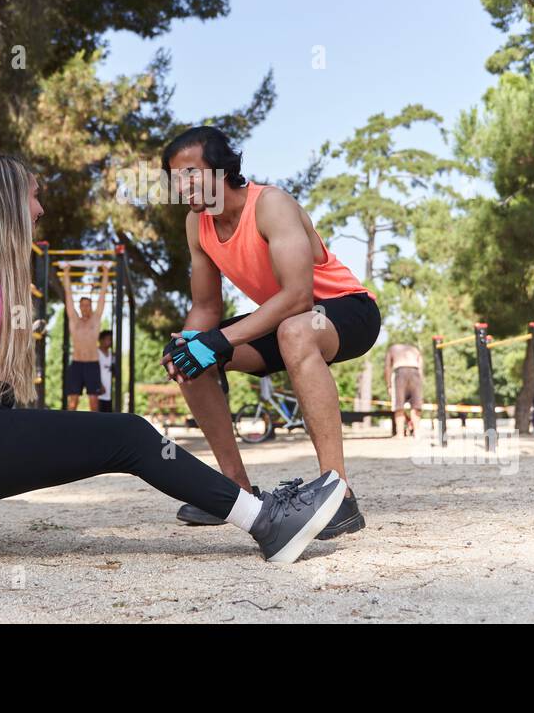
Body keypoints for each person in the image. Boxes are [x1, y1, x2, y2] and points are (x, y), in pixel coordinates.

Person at [0, 154, 345, 563]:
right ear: (10, 194)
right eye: (35, 196)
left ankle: (253, 508)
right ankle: (266, 521)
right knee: (131, 434)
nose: (40, 208)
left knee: (124, 438)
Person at [159, 126, 380, 539]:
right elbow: (207, 307)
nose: (182, 185)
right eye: (175, 178)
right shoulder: (197, 224)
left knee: (293, 330)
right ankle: (235, 492)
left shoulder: (271, 204)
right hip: (283, 321)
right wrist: (187, 347)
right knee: (190, 353)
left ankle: (340, 496)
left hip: (347, 311)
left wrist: (222, 340)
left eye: (191, 172)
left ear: (222, 169)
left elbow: (298, 296)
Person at [60, 262, 108, 411]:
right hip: (76, 364)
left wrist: (105, 271)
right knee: (72, 403)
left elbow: (102, 296)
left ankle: (95, 431)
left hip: (92, 364)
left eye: (88, 305)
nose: (85, 307)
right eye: (83, 305)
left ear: (91, 306)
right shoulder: (74, 321)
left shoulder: (95, 320)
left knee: (94, 403)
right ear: (79, 307)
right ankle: (68, 431)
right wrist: (66, 272)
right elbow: (68, 295)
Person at [385, 341, 424, 437]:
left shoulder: (393, 348)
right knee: (416, 405)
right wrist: (421, 384)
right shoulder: (415, 350)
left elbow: (387, 367)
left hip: (400, 372)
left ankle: (400, 434)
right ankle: (417, 432)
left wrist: (389, 385)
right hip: (415, 372)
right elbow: (421, 369)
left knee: (399, 406)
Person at [97, 329, 114, 413]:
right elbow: (93, 372)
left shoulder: (112, 354)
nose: (110, 341)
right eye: (108, 339)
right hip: (99, 393)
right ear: (101, 340)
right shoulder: (96, 353)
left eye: (111, 339)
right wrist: (99, 384)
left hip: (110, 393)